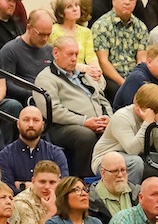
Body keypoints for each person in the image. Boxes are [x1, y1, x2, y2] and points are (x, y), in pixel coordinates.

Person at [35, 35, 112, 177]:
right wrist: (84, 121)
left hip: (95, 122)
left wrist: (109, 118)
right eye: (70, 54)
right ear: (56, 53)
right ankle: (84, 179)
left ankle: (111, 177)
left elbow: (102, 99)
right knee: (85, 135)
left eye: (76, 54)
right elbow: (53, 110)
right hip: (61, 127)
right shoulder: (45, 78)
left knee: (117, 129)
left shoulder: (84, 75)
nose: (74, 59)